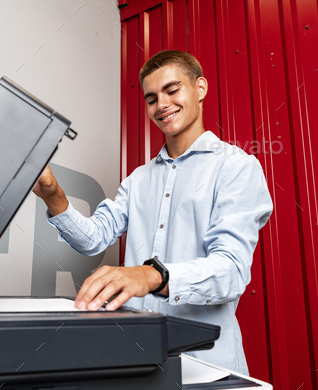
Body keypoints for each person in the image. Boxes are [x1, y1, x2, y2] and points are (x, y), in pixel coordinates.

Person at [32, 50, 273, 375]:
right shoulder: (138, 179)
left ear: (200, 88)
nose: (161, 105)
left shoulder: (236, 168)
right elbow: (93, 239)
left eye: (172, 91)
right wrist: (53, 195)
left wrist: (151, 275)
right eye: (151, 98)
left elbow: (230, 272)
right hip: (138, 360)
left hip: (205, 366)